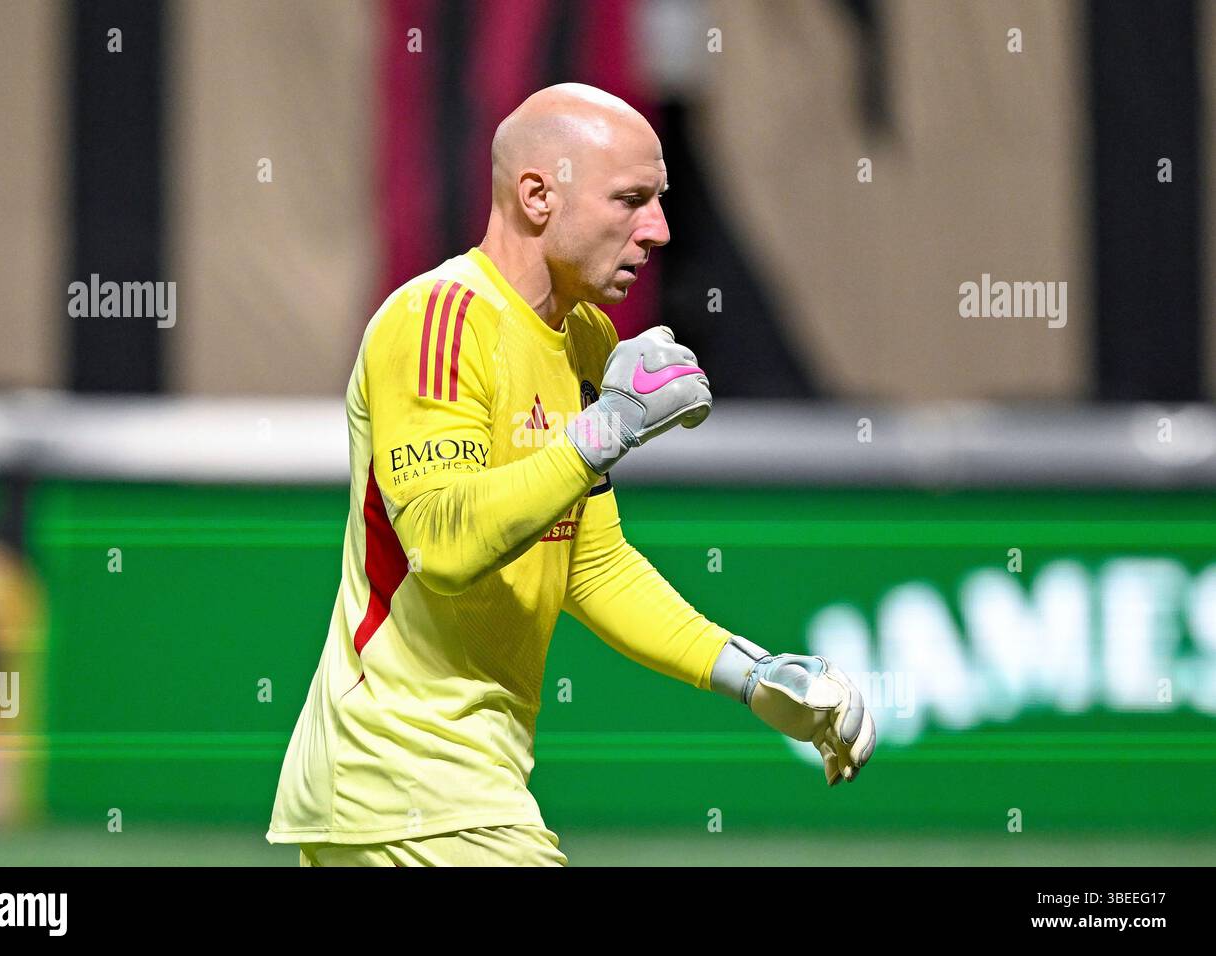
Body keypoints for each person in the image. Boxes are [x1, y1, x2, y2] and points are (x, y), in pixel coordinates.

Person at [267, 83, 874, 867]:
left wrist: (753, 675)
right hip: (406, 783)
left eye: (659, 201)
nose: (657, 231)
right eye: (630, 200)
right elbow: (444, 545)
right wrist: (606, 430)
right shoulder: (437, 322)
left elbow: (592, 562)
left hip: (446, 794)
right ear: (536, 195)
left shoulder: (584, 339)